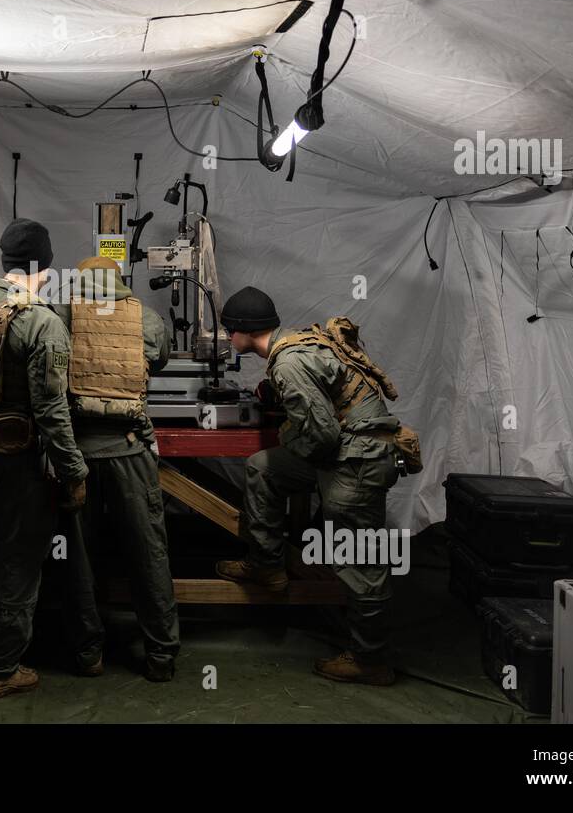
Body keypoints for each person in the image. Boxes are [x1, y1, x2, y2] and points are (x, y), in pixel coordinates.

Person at [214, 286, 402, 686]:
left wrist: (287, 431)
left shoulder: (288, 363)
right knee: (263, 467)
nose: (228, 337)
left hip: (358, 461)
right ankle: (267, 566)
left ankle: (371, 659)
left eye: (230, 330)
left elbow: (322, 435)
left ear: (245, 332)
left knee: (362, 560)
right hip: (342, 449)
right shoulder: (296, 343)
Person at [0, 218, 88, 699]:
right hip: (18, 458)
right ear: (44, 267)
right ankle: (0, 669)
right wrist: (73, 470)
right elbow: (52, 408)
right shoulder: (41, 320)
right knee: (19, 561)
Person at [52, 256, 179, 682]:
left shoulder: (62, 314)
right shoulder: (146, 318)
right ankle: (161, 655)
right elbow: (157, 362)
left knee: (77, 560)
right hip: (130, 451)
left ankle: (88, 654)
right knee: (149, 555)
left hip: (76, 458)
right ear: (120, 281)